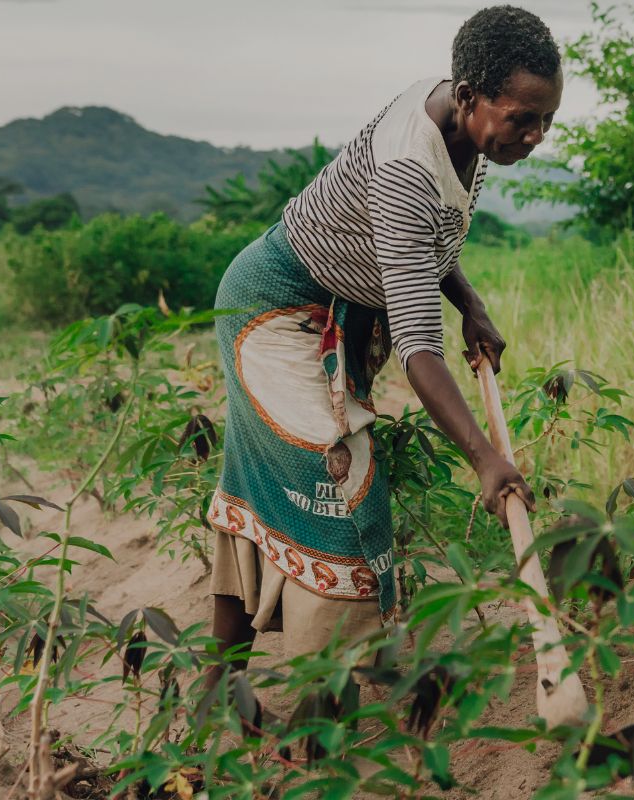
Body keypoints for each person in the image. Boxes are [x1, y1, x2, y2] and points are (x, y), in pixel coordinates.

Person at [201, 5, 560, 690]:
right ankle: (324, 695)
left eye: (546, 119)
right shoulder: (407, 167)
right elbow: (421, 350)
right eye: (521, 119)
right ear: (468, 96)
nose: (535, 135)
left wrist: (472, 303)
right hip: (274, 312)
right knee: (343, 478)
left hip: (339, 314)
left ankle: (222, 689)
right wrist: (487, 460)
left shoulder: (462, 124)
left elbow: (429, 239)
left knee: (256, 491)